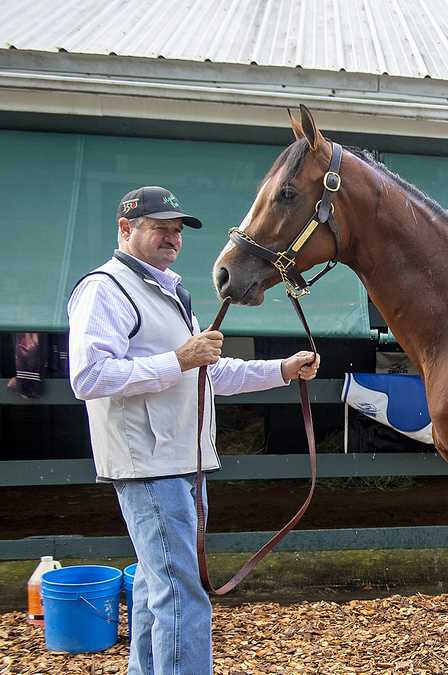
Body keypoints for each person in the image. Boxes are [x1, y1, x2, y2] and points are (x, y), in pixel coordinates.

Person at [67, 186, 321, 675]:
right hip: (149, 462)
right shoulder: (105, 288)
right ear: (126, 229)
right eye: (160, 228)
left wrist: (283, 370)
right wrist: (178, 359)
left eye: (177, 230)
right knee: (183, 593)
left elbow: (211, 373)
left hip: (181, 460)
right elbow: (89, 376)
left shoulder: (167, 291)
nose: (172, 238)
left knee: (153, 586)